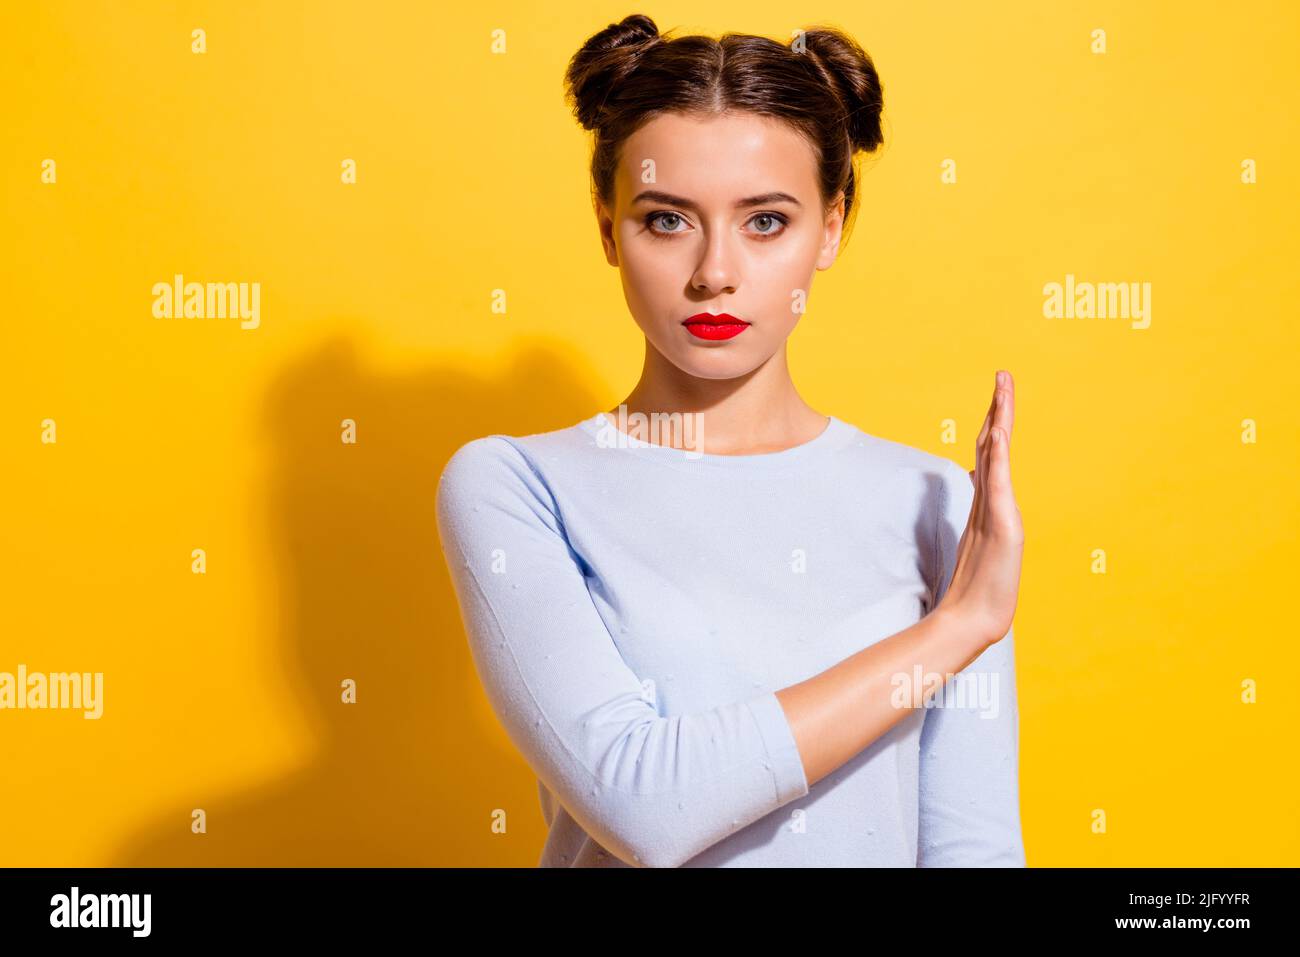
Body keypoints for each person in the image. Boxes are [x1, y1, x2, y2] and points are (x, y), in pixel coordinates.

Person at [435, 14, 1025, 867]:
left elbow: (974, 849)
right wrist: (953, 629)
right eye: (667, 220)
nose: (715, 271)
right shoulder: (516, 484)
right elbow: (642, 803)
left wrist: (966, 622)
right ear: (608, 227)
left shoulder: (936, 502)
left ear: (830, 226)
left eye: (766, 221)